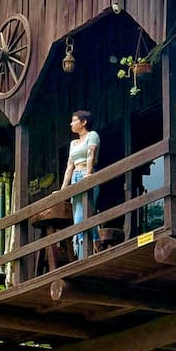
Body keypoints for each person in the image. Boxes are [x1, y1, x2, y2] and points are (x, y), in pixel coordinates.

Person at [61, 110, 100, 259]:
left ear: (83, 122)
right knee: (78, 217)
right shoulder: (73, 143)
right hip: (76, 176)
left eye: (74, 120)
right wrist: (63, 189)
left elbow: (91, 156)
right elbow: (69, 166)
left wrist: (88, 176)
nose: (71, 123)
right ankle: (86, 252)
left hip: (86, 174)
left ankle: (92, 248)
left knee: (85, 214)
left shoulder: (92, 135)